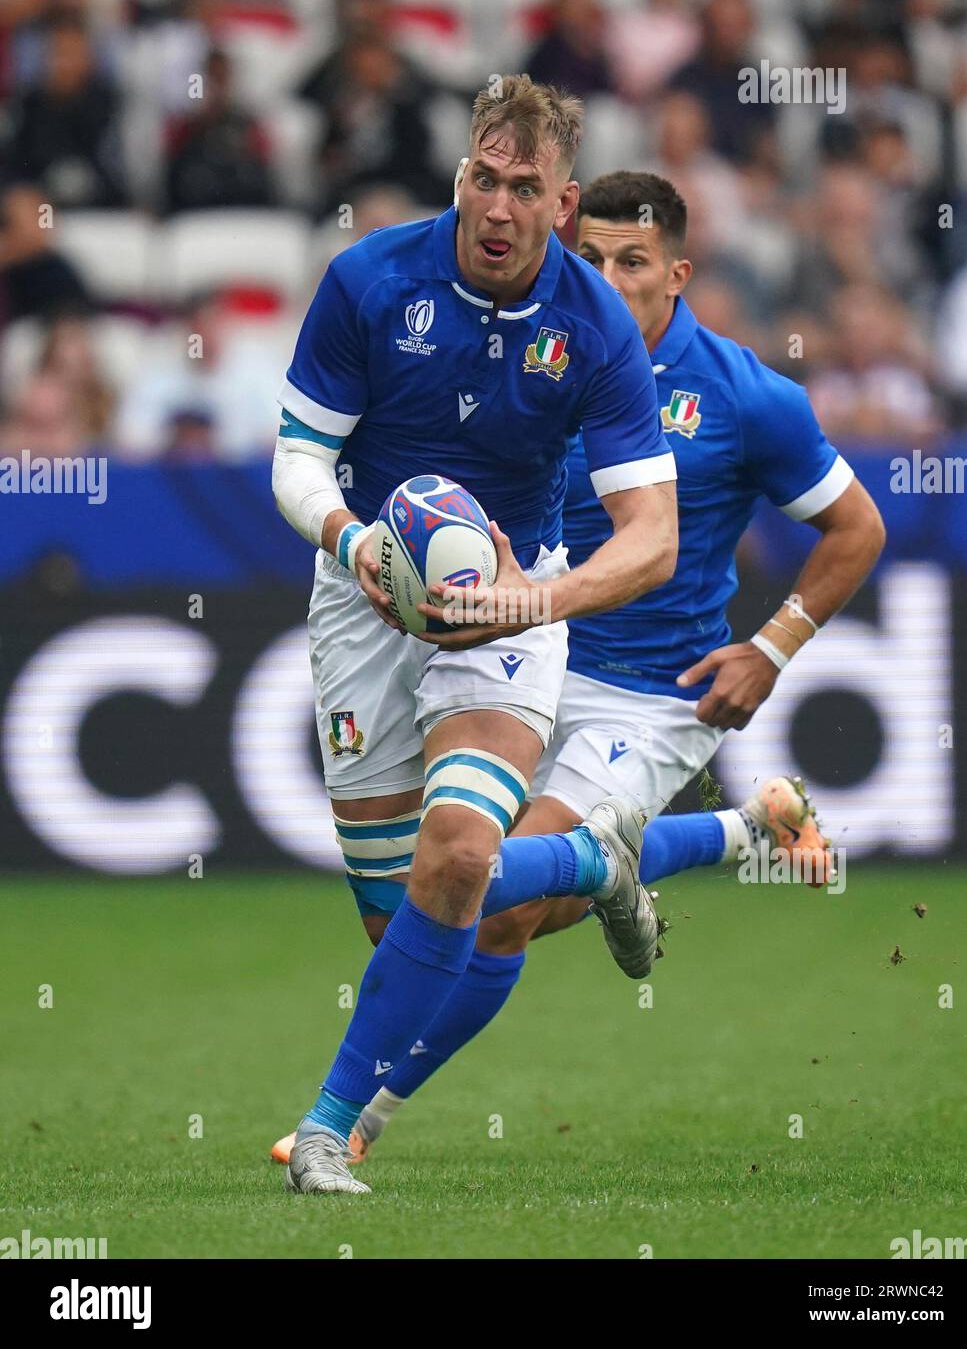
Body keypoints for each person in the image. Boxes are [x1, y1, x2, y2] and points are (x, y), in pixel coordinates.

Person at [307, 171, 886, 1168]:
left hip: (655, 691)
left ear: (678, 273)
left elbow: (855, 526)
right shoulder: (543, 363)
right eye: (591, 260)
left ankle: (350, 1119)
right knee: (450, 904)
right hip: (537, 657)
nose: (608, 280)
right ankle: (738, 829)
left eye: (632, 263)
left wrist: (771, 645)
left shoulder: (747, 395)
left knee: (492, 897)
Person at [270, 78, 678, 1196]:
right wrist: (354, 542)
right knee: (411, 921)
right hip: (363, 597)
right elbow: (296, 460)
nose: (497, 208)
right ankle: (595, 859)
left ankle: (327, 1128)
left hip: (510, 604)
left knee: (458, 856)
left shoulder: (593, 324)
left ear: (564, 199)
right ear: (460, 176)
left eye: (523, 189)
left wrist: (531, 604)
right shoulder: (368, 278)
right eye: (482, 180)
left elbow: (651, 539)